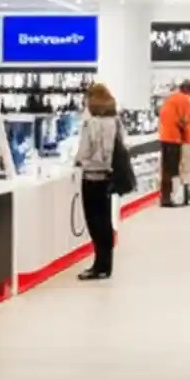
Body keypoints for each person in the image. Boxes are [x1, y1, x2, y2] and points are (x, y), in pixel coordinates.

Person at [73, 83, 121, 281]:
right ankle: (106, 264)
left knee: (94, 222)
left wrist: (77, 161)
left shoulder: (91, 123)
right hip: (108, 176)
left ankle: (98, 265)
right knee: (106, 221)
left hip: (91, 176)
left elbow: (84, 151)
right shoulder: (116, 121)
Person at [158, 80, 190, 207]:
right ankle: (170, 198)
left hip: (165, 136)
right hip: (174, 137)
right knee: (174, 170)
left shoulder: (171, 98)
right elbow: (186, 120)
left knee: (166, 169)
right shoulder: (185, 100)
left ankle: (165, 197)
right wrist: (189, 139)